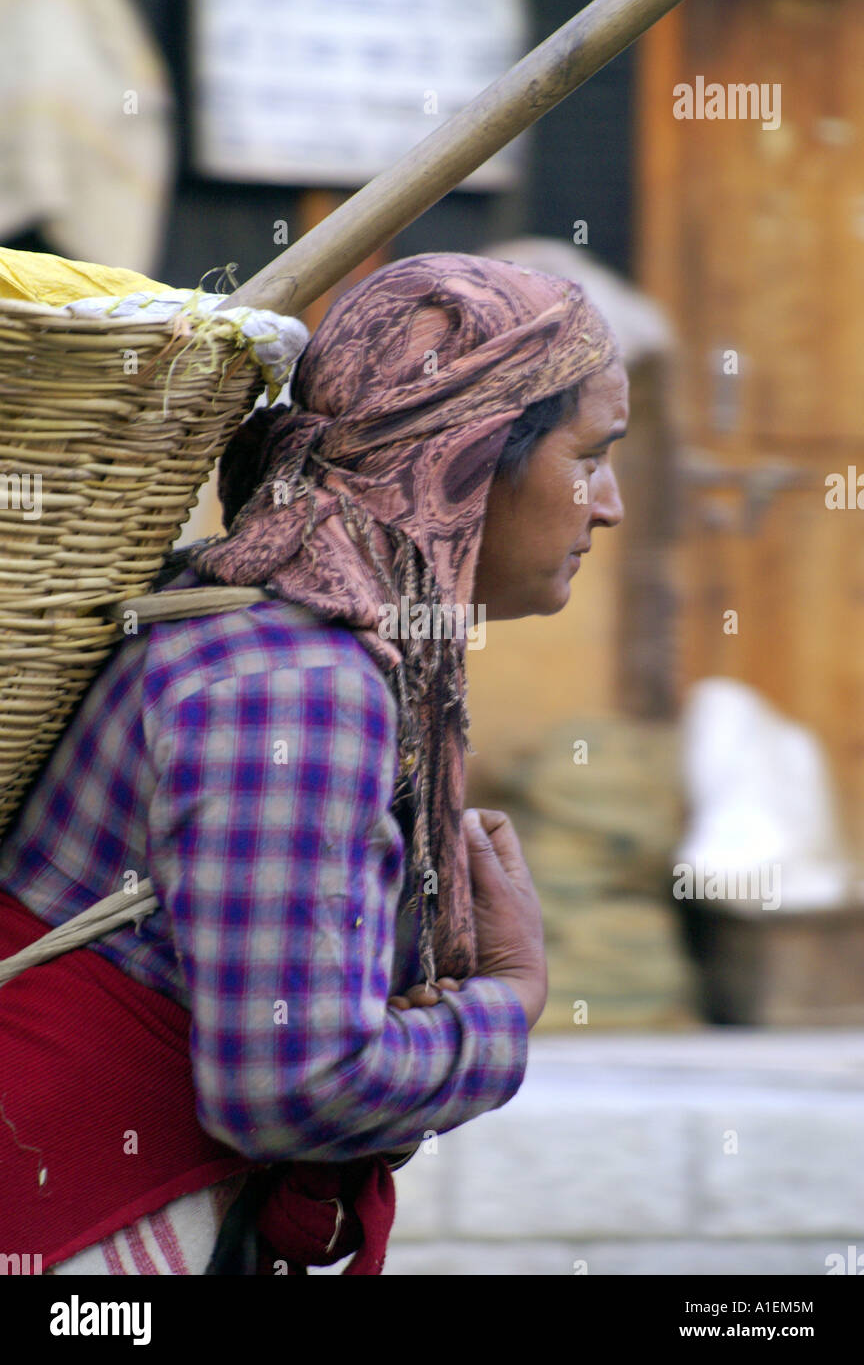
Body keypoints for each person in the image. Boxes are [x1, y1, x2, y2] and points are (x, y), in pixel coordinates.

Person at [0, 251, 626, 1275]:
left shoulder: (266, 630)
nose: (609, 507)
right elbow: (296, 1085)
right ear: (469, 453)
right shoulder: (299, 686)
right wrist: (505, 1006)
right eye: (590, 455)